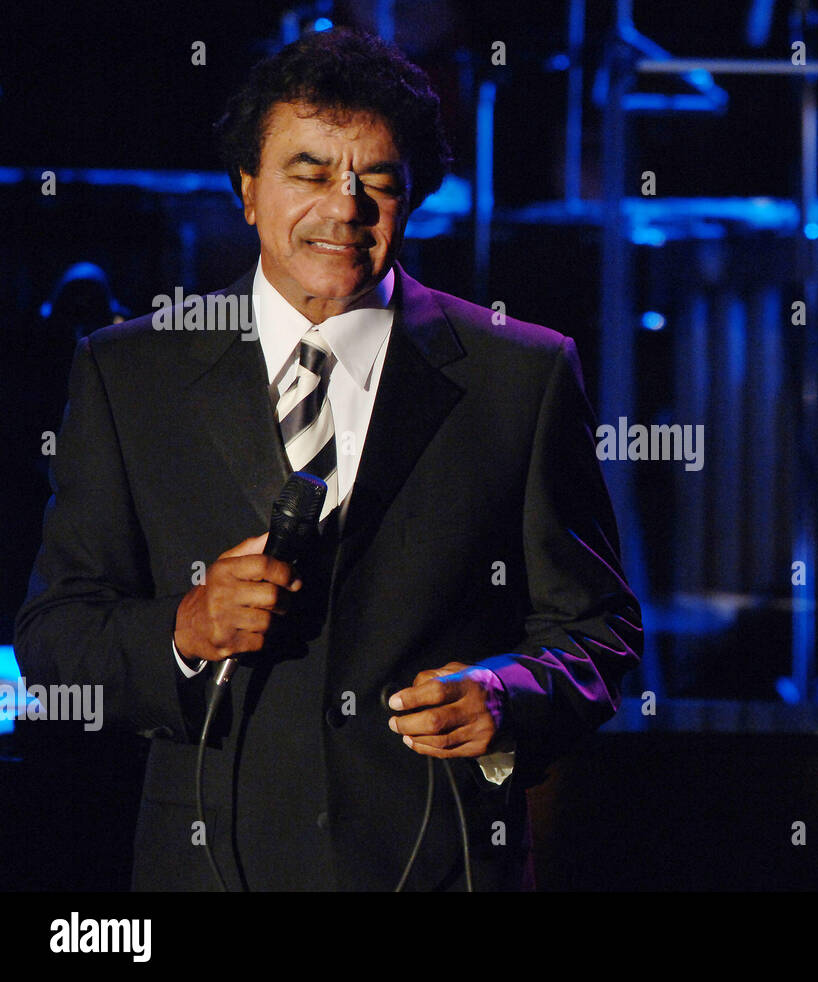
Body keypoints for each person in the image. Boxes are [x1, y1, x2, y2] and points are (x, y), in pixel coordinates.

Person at [16, 28, 641, 891]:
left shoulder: (520, 373)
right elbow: (55, 638)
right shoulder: (130, 371)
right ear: (247, 190)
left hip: (441, 864)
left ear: (412, 199)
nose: (343, 207)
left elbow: (599, 629)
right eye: (308, 172)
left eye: (376, 180)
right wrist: (182, 632)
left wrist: (507, 697)